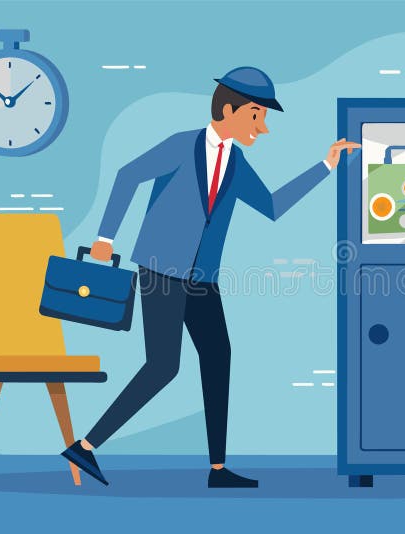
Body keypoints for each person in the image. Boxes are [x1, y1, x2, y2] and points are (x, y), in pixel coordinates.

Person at [62, 66, 359, 487]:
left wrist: (325, 167)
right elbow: (128, 174)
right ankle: (86, 446)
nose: (264, 127)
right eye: (258, 115)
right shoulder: (182, 146)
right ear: (231, 110)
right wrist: (104, 237)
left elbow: (273, 207)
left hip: (203, 277)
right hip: (162, 270)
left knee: (218, 358)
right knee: (163, 366)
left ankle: (218, 469)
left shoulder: (237, 162)